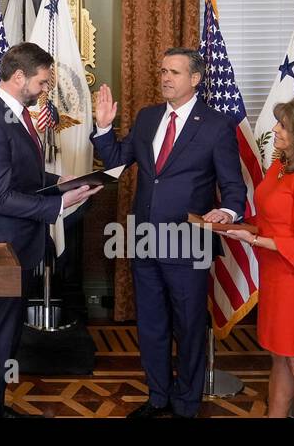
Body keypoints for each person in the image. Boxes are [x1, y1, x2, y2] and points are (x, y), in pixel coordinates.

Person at [91, 47, 246, 418]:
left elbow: (234, 186)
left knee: (189, 326)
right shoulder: (147, 118)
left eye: (174, 72)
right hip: (145, 239)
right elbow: (115, 161)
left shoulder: (216, 125)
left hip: (189, 241)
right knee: (152, 325)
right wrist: (102, 127)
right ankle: (158, 396)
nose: (165, 78)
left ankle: (187, 403)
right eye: (162, 71)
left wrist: (225, 211)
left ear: (195, 79)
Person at [0, 42, 101, 418]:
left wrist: (63, 182)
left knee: (8, 333)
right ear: (20, 77)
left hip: (20, 245)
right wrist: (58, 205)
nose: (45, 90)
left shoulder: (13, 114)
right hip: (0, 249)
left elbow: (23, 177)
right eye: (41, 83)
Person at [223, 96, 294, 418]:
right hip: (274, 276)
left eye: (283, 125)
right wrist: (235, 226)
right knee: (279, 356)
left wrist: (255, 238)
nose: (275, 129)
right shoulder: (280, 167)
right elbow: (270, 219)